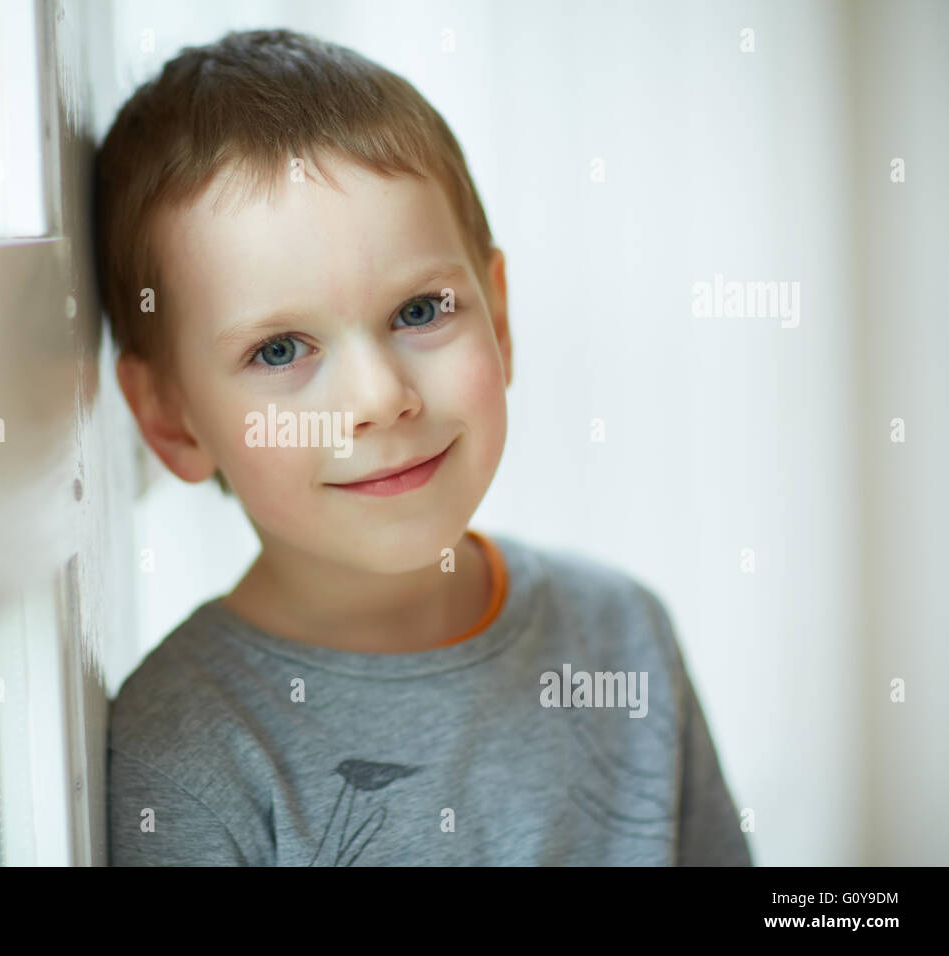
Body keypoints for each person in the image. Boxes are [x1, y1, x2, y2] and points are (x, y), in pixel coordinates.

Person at [92, 27, 751, 866]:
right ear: (174, 421)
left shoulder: (622, 634)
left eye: (418, 312)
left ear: (500, 320)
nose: (379, 399)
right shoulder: (182, 755)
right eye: (281, 350)